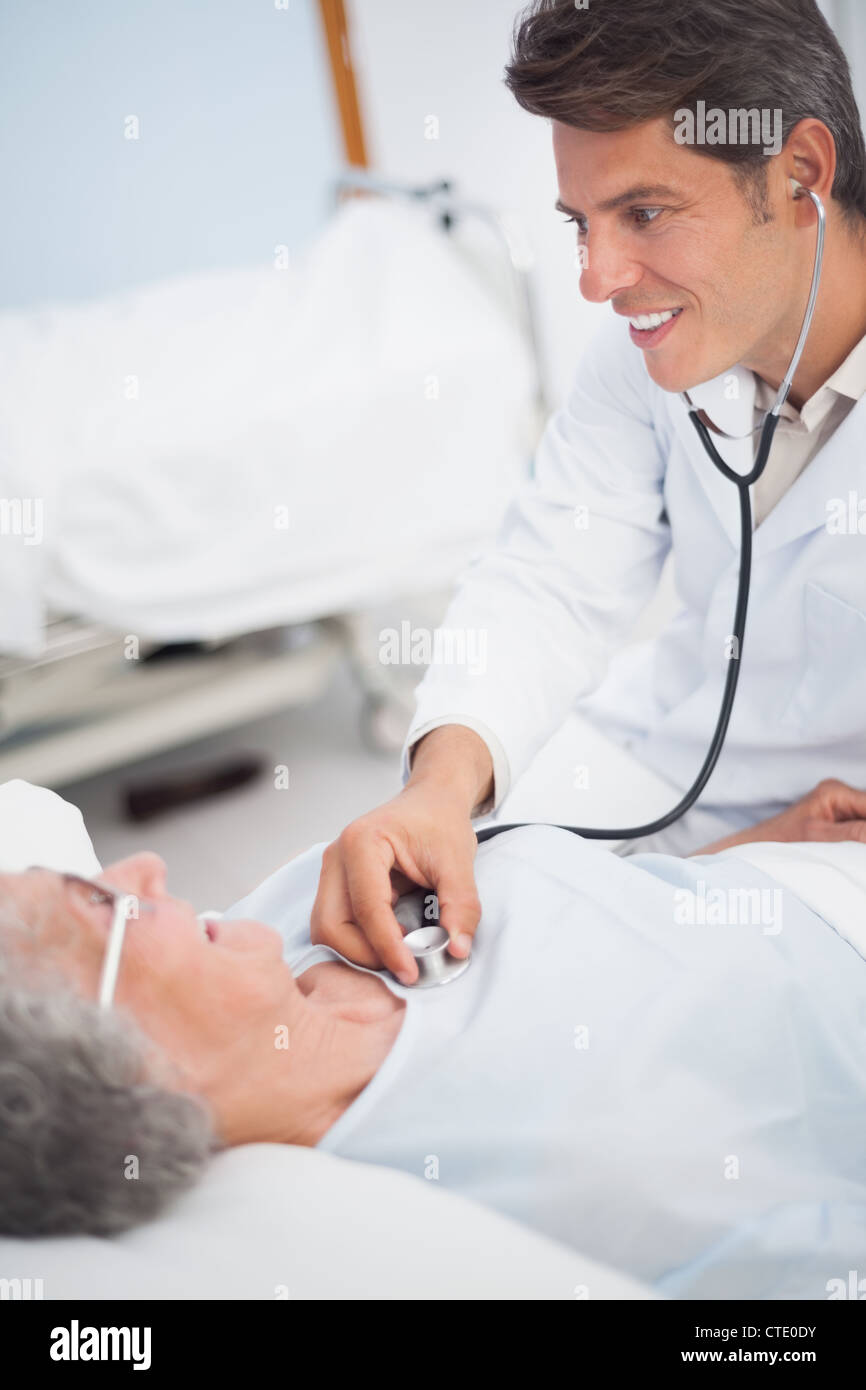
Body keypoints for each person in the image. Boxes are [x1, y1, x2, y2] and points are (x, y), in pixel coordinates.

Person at [310, 0, 866, 987]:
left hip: (842, 842)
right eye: (581, 224)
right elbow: (548, 575)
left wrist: (756, 858)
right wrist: (438, 789)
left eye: (643, 213)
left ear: (798, 176)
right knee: (359, 925)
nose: (597, 280)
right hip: (665, 749)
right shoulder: (652, 348)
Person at [1, 778, 865, 1299]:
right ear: (135, 1065)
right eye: (100, 905)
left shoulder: (272, 936)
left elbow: (624, 945)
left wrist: (747, 863)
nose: (140, 869)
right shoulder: (579, 1172)